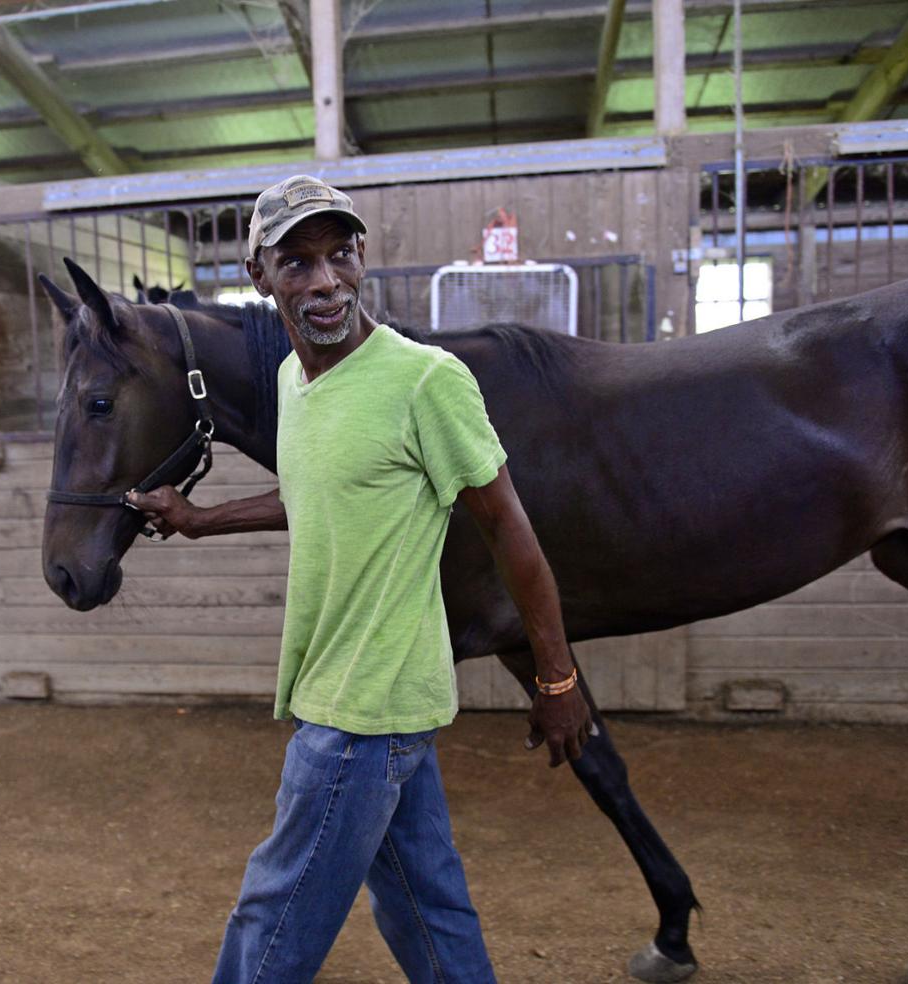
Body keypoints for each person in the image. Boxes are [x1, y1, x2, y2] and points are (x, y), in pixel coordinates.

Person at [127, 175, 593, 983]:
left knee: (273, 918)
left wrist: (557, 678)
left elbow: (508, 527)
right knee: (428, 910)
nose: (326, 281)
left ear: (362, 257)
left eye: (340, 255)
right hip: (374, 703)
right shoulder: (294, 382)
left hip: (361, 711)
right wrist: (200, 519)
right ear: (259, 276)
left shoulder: (425, 381)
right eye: (297, 263)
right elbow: (316, 492)